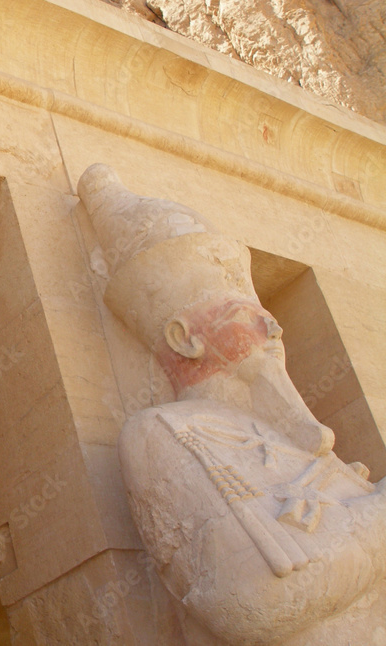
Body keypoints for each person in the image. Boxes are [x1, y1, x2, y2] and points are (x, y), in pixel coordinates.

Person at [78, 164, 386, 646]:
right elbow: (253, 601)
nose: (274, 329)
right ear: (185, 339)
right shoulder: (162, 432)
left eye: (269, 317)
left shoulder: (297, 446)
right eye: (246, 317)